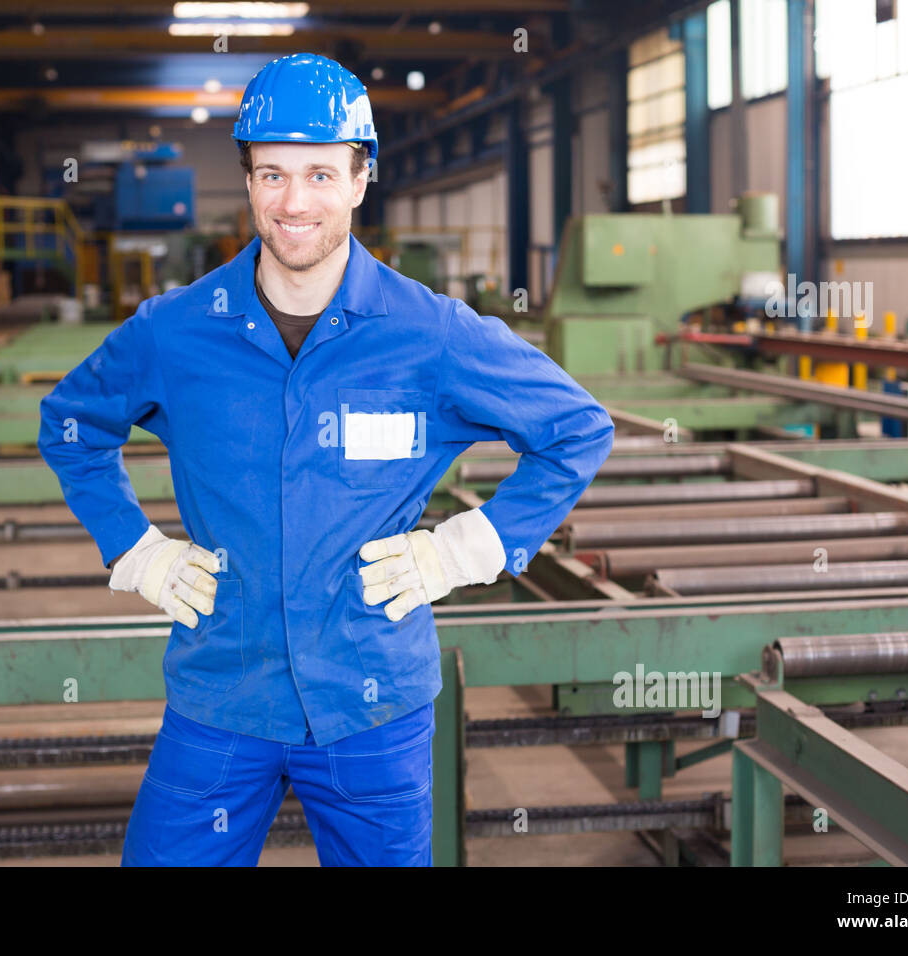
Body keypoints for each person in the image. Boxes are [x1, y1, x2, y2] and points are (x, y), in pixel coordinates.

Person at [38, 52, 615, 866]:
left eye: (319, 173)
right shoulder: (176, 331)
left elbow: (576, 429)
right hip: (222, 691)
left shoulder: (431, 334)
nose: (294, 201)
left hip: (371, 700)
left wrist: (468, 548)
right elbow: (70, 423)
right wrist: (135, 551)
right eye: (272, 174)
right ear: (246, 181)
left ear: (360, 178)